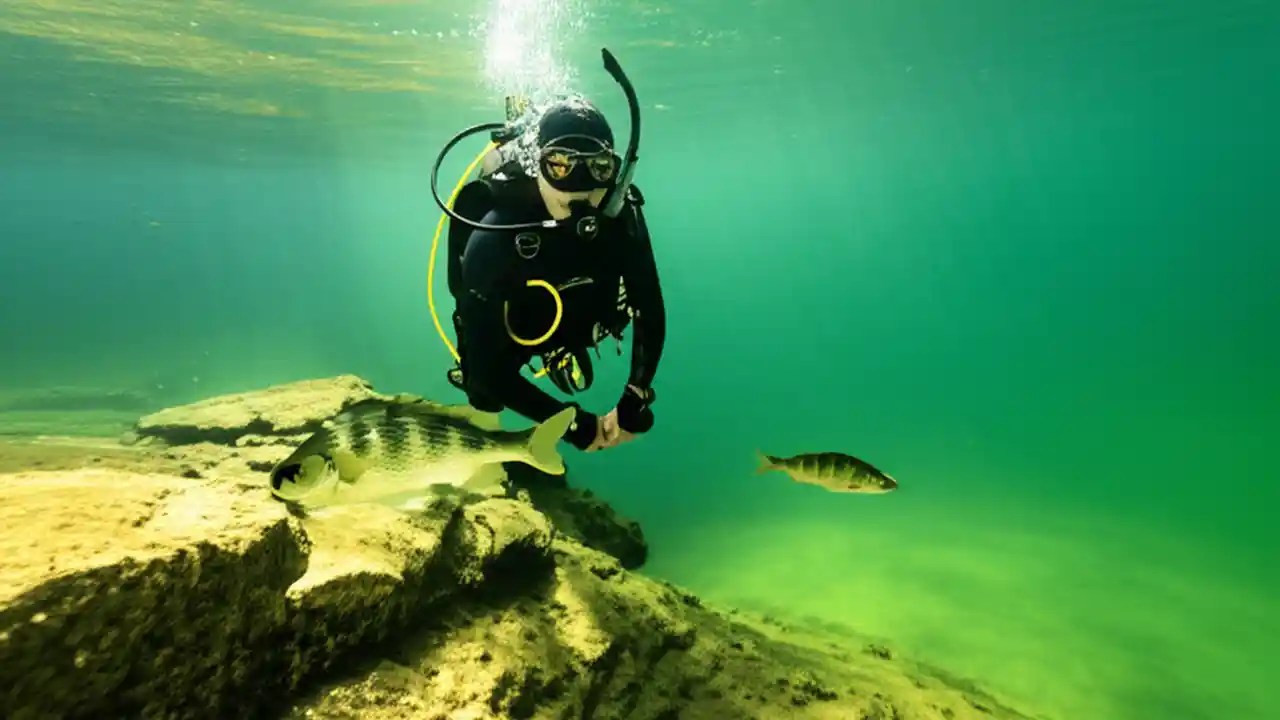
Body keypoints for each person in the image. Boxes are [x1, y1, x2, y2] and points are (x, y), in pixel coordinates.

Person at [437, 93, 666, 453]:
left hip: (581, 312)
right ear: (536, 167)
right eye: (559, 166)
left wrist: (636, 394)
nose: (581, 187)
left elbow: (649, 305)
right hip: (516, 331)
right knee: (483, 395)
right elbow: (486, 370)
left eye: (599, 168)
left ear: (615, 169)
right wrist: (574, 425)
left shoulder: (621, 215)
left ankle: (564, 349)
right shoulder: (494, 238)